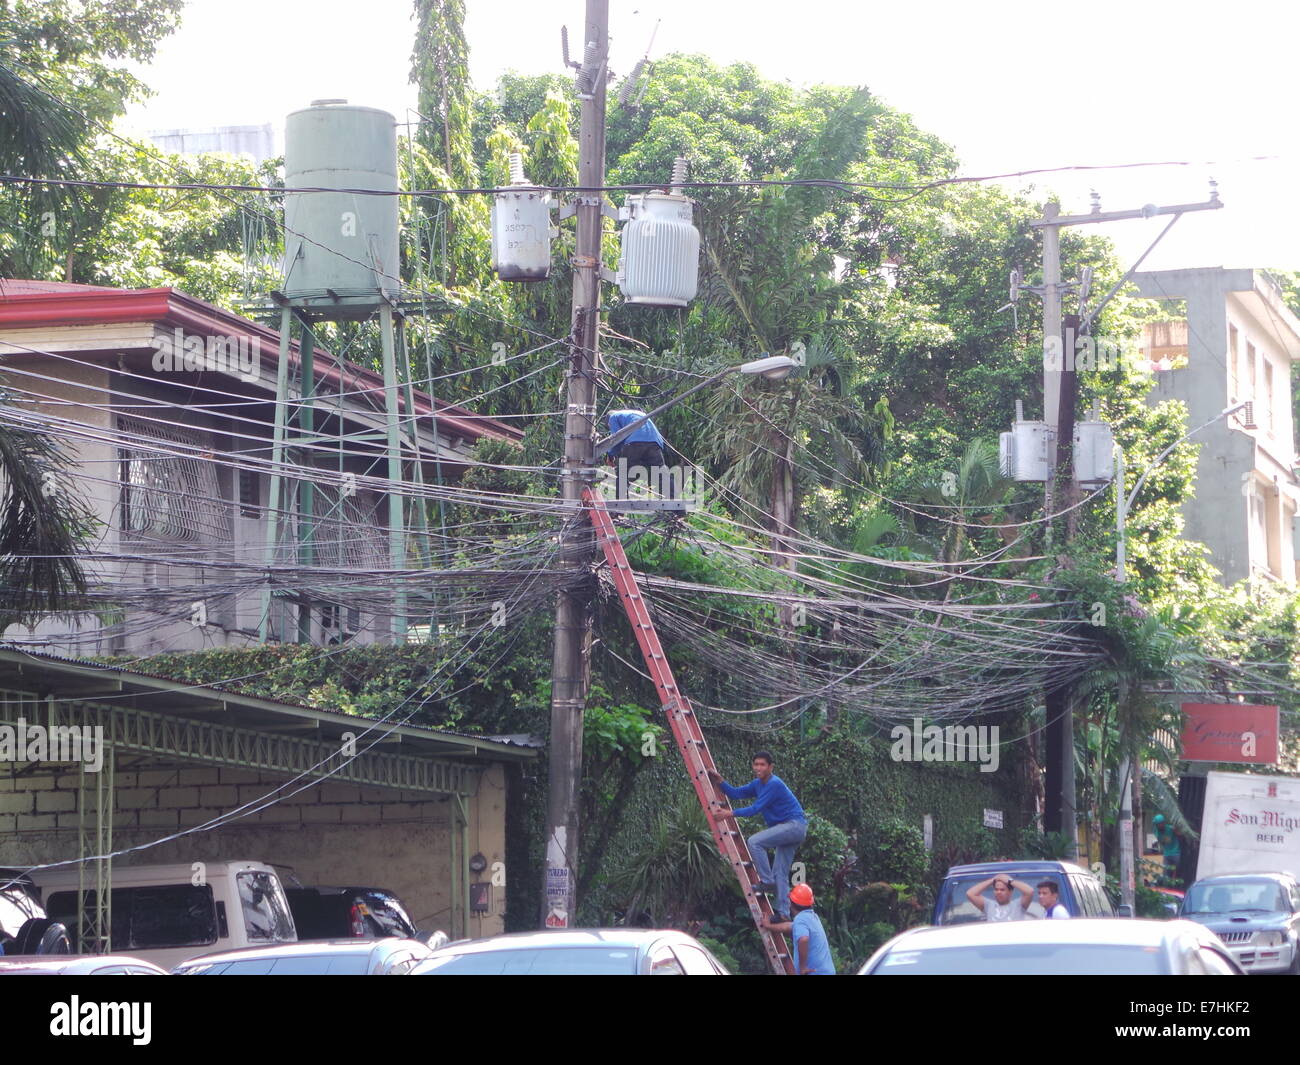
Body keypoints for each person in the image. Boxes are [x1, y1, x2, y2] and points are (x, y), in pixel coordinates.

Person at [706, 751, 808, 920]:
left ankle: (767, 882)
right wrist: (720, 781)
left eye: (762, 765)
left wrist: (728, 813)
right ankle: (783, 913)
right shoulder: (757, 784)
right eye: (756, 764)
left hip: (794, 826)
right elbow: (736, 794)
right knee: (780, 872)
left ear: (770, 767)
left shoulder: (774, 784)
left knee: (754, 842)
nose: (758, 768)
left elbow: (755, 809)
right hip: (791, 828)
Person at [762, 884, 835, 975]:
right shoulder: (812, 917)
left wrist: (803, 967)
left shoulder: (800, 919)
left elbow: (803, 939)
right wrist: (769, 926)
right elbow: (789, 926)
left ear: (791, 903)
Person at [606, 409, 672, 497]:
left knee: (623, 473)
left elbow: (616, 439)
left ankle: (620, 507)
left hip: (635, 442)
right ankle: (677, 507)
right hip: (654, 442)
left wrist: (610, 455)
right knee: (661, 472)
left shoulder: (613, 417)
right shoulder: (635, 413)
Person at [965, 873, 1034, 921]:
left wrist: (1010, 881)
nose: (998, 892)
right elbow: (970, 893)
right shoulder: (989, 905)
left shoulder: (1018, 905)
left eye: (1002, 890)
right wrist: (993, 880)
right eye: (996, 889)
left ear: (1010, 892)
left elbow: (1029, 891)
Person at [1152, 814, 1181, 879]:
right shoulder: (1156, 831)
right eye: (1157, 824)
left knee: (1178, 872)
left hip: (1176, 853)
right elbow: (1154, 843)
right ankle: (1167, 887)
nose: (1158, 826)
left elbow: (1180, 834)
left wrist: (1176, 829)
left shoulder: (1170, 828)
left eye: (1159, 824)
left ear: (1163, 823)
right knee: (1166, 873)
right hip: (1166, 854)